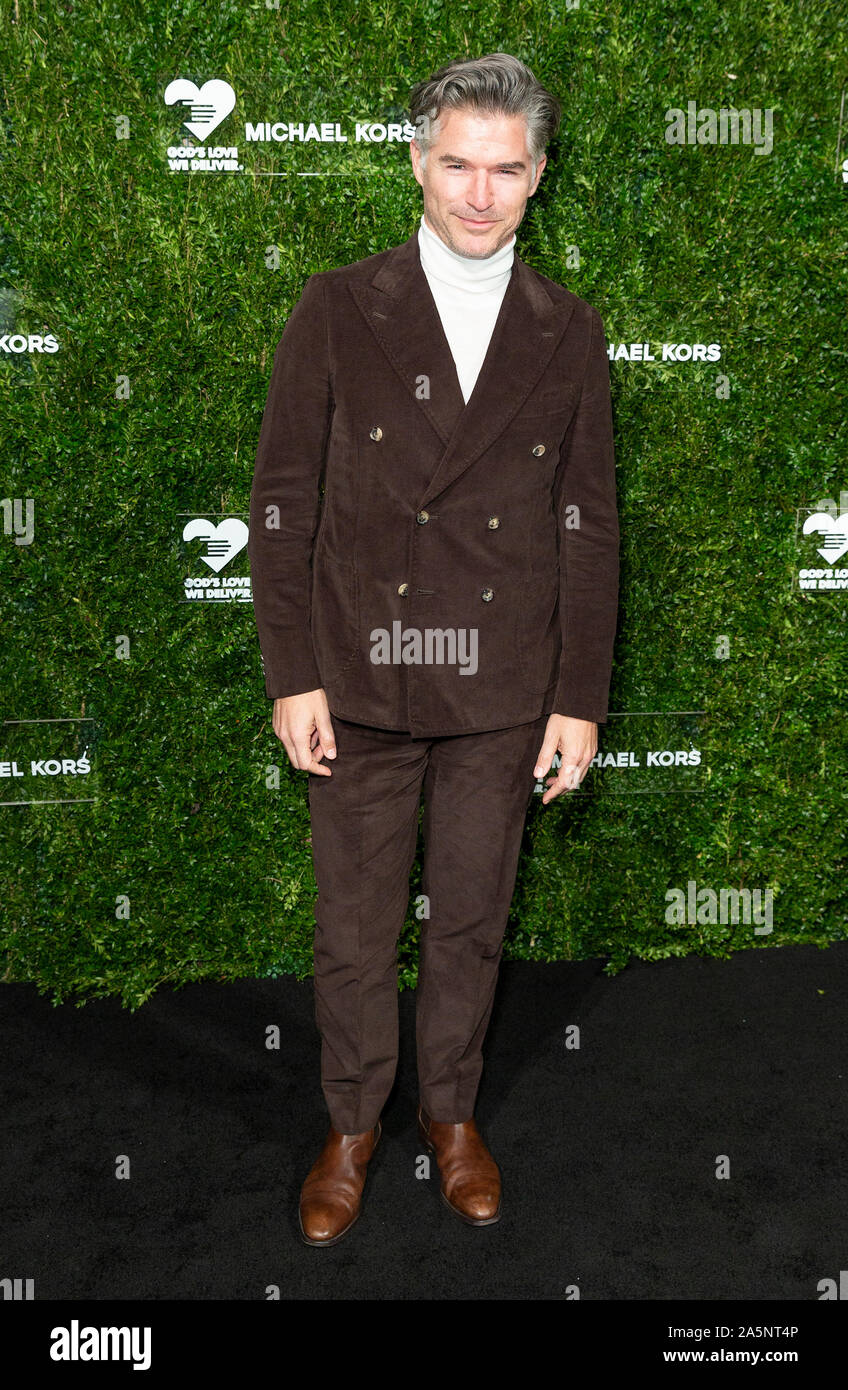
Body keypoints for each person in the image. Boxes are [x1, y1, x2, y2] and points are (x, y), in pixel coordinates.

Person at [247, 52, 619, 1247]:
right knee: (354, 925)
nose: (475, 193)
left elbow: (587, 525)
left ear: (536, 178)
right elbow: (282, 506)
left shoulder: (568, 333)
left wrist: (577, 697)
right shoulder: (335, 305)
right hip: (357, 676)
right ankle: (353, 1124)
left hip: (501, 684)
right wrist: (291, 671)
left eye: (503, 170)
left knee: (468, 914)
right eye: (454, 163)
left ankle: (451, 1114)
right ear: (416, 160)